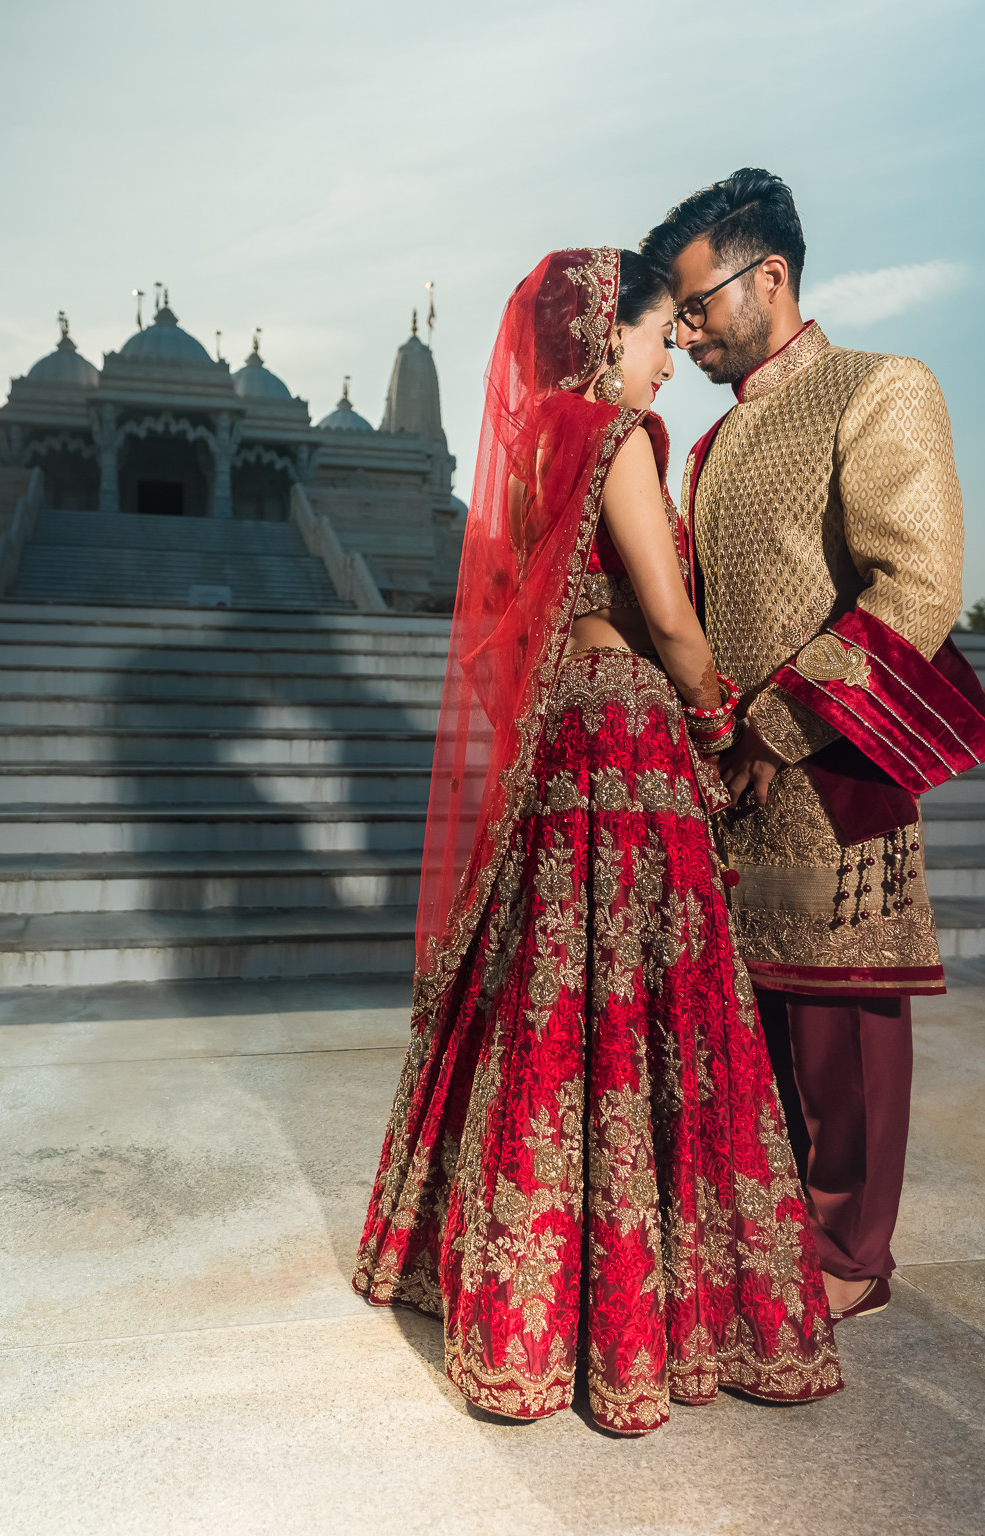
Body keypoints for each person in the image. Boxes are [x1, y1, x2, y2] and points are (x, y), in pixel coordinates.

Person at [352, 247, 843, 1435]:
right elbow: (667, 619)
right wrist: (720, 721)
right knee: (642, 1005)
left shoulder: (527, 448)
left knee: (549, 997)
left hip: (555, 741)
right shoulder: (612, 437)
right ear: (599, 334)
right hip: (624, 734)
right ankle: (636, 1312)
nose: (667, 360)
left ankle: (508, 1295)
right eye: (657, 335)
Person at [642, 170, 985, 1323]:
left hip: (837, 766)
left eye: (696, 306)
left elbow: (918, 585)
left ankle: (850, 1257)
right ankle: (764, 1232)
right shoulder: (710, 445)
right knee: (750, 1020)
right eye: (675, 317)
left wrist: (779, 724)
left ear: (771, 277)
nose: (684, 333)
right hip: (730, 780)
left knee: (844, 1022)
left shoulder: (879, 388)